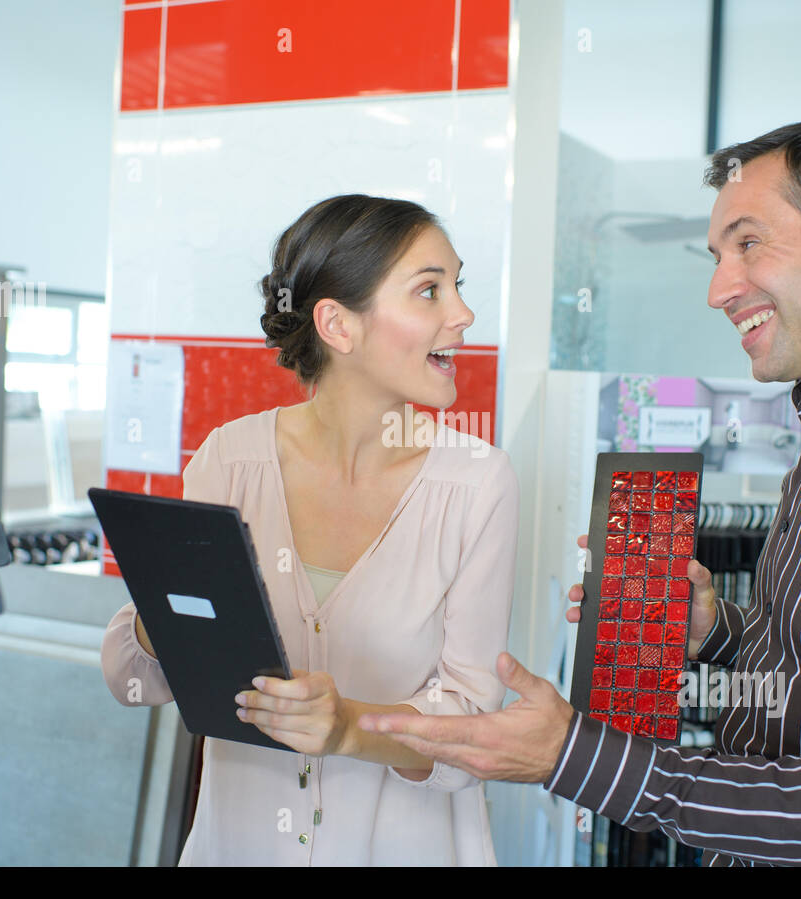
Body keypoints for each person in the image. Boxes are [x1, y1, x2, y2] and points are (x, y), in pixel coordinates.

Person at [359, 119, 801, 866]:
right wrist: (716, 631)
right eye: (717, 255)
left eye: (748, 243)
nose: (717, 289)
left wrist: (575, 754)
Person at [100, 194, 518, 865]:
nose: (463, 314)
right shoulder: (229, 461)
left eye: (457, 286)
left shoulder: (476, 483)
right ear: (338, 325)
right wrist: (166, 612)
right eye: (430, 291)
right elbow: (133, 678)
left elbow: (471, 728)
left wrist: (349, 728)